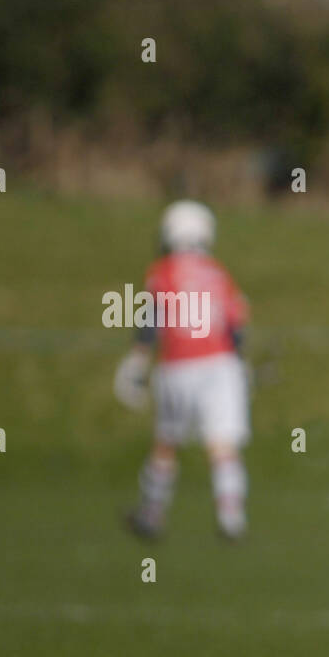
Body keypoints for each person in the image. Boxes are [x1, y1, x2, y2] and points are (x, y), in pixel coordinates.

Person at [117, 200, 251, 541]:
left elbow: (151, 321)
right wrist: (240, 365)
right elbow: (235, 326)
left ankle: (152, 513)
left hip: (178, 365)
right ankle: (231, 516)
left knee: (166, 443)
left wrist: (136, 361)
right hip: (220, 364)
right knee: (222, 445)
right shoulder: (218, 273)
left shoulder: (163, 270)